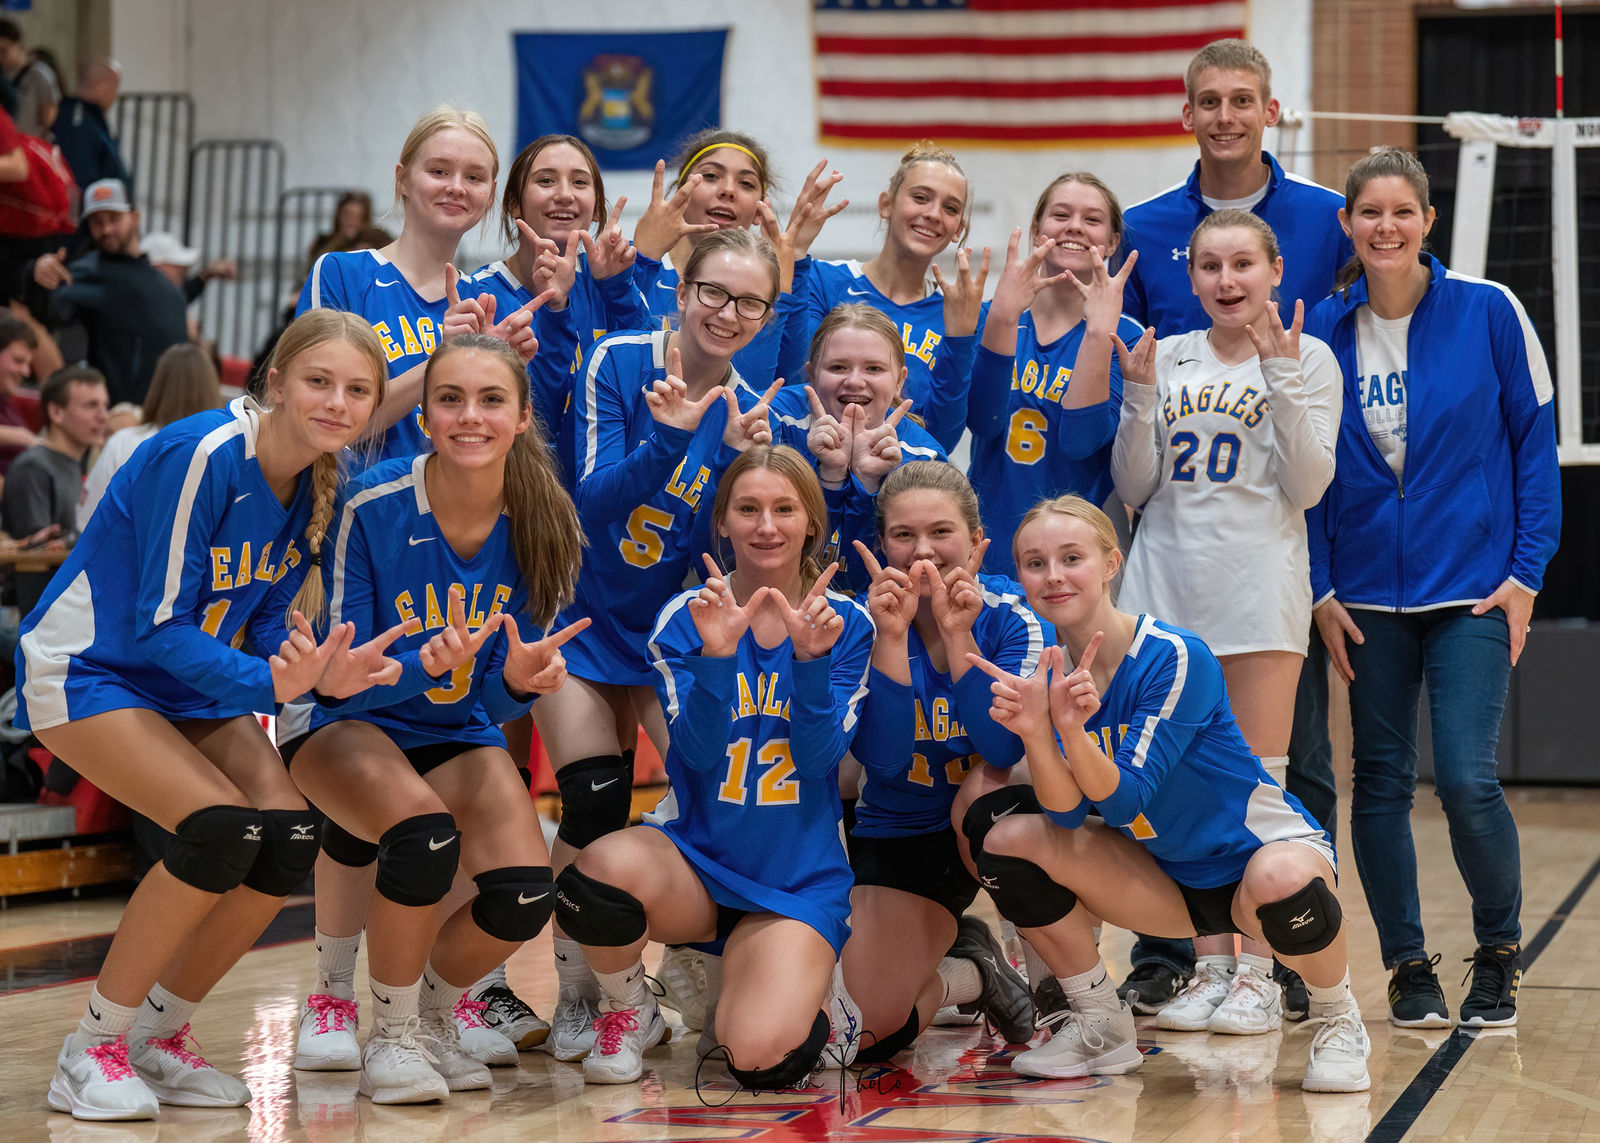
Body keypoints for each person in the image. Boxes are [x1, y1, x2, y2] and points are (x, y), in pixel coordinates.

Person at [16, 309, 393, 1121]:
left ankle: (159, 1034)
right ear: (277, 381)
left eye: (358, 390)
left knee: (290, 835)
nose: (337, 401)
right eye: (320, 381)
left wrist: (313, 670)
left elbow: (255, 616)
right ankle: (92, 1047)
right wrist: (277, 685)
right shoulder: (207, 453)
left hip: (180, 680)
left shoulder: (316, 483)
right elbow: (160, 622)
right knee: (220, 827)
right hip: (90, 667)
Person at [962, 494, 1370, 1093]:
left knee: (1282, 883)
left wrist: (1069, 730)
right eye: (1034, 562)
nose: (1052, 576)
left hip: (1257, 857)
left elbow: (1126, 800)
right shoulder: (1047, 670)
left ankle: (1338, 1017)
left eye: (1071, 557)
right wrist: (1038, 734)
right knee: (1003, 840)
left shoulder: (1173, 656)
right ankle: (1101, 1024)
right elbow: (1069, 812)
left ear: (1110, 563)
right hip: (1167, 877)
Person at [284, 334, 586, 1103]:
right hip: (338, 720)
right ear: (422, 416)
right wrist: (424, 665)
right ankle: (383, 1030)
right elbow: (335, 686)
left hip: (450, 729)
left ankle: (433, 1014)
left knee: (523, 892)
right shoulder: (373, 502)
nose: (469, 416)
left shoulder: (542, 523)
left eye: (491, 400)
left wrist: (516, 686)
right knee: (420, 837)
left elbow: (481, 706)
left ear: (522, 417)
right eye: (450, 398)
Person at [1116, 38, 1351, 1013]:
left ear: (1271, 270)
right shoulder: (1163, 357)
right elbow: (1134, 487)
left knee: (1256, 789)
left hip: (1258, 587)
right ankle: (1206, 963)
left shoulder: (1306, 361)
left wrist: (1287, 376)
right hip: (1161, 588)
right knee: (1168, 792)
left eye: (1241, 263)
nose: (1223, 277)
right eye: (1208, 263)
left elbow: (1306, 485)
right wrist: (1135, 401)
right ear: (1191, 270)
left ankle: (1262, 971)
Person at [1306, 147, 1560, 1030]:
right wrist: (1319, 588)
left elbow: (1535, 445)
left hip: (1473, 592)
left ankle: (1499, 952)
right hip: (1365, 596)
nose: (1385, 227)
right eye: (1368, 212)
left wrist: (1526, 574)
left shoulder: (1490, 311)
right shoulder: (1324, 335)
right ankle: (1408, 966)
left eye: (1401, 211)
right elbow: (1304, 475)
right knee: (1375, 782)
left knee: (1464, 776)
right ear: (1347, 224)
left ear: (1427, 221)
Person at [532, 227, 781, 1058]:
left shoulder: (752, 412)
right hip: (581, 617)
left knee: (720, 790)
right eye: (714, 291)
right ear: (683, 288)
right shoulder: (619, 362)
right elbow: (588, 504)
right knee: (595, 798)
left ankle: (690, 961)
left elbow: (728, 548)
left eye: (750, 301)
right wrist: (672, 437)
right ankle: (588, 993)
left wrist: (746, 464)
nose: (728, 312)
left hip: (669, 638)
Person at [553, 444, 873, 1088]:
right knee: (595, 876)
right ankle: (629, 1009)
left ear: (812, 521)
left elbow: (819, 762)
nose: (766, 525)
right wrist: (718, 657)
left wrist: (810, 664)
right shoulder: (684, 618)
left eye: (785, 508)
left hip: (795, 883)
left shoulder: (846, 623)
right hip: (699, 864)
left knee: (756, 1060)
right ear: (721, 522)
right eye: (747, 508)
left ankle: (778, 984)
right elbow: (692, 757)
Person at [841, 460, 1048, 1060]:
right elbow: (881, 761)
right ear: (881, 545)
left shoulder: (1013, 618)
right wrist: (892, 638)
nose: (922, 551)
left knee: (1002, 788)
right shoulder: (862, 621)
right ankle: (975, 971)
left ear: (978, 542)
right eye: (903, 536)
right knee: (862, 1031)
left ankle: (1060, 986)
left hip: (986, 818)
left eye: (941, 532)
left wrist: (958, 637)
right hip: (899, 827)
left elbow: (1004, 748)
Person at [297, 104, 538, 462]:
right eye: (439, 171)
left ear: (490, 195)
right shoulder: (342, 274)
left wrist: (510, 375)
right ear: (402, 179)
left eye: (474, 177)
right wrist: (443, 357)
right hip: (353, 510)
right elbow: (324, 424)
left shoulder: (490, 303)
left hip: (452, 512)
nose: (456, 187)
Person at [968, 173, 1144, 577]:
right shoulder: (994, 317)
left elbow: (1080, 441)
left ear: (1113, 242)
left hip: (1076, 557)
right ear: (1036, 230)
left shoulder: (1126, 336)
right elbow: (983, 421)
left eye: (1092, 219)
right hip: (990, 541)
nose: (1074, 226)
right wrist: (1003, 318)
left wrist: (1099, 333)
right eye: (1060, 214)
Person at [465, 132, 648, 479]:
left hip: (603, 502)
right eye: (545, 181)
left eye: (580, 182)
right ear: (513, 203)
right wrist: (556, 308)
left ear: (595, 208)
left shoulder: (609, 281)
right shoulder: (480, 296)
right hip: (520, 494)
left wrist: (618, 289)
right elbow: (537, 422)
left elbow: (650, 380)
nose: (564, 195)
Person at [786, 143, 985, 452]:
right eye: (920, 198)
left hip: (899, 480)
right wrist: (793, 257)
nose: (933, 214)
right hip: (813, 466)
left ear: (959, 228)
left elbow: (940, 439)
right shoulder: (824, 281)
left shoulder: (962, 313)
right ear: (886, 204)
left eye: (950, 208)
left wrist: (960, 340)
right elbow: (796, 380)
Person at [631, 128, 843, 388]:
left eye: (746, 183)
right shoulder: (633, 261)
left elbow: (782, 387)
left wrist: (793, 264)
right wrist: (641, 260)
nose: (728, 190)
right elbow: (619, 364)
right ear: (682, 192)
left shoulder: (779, 276)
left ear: (759, 210)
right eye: (710, 176)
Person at [768, 303, 946, 592]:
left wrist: (868, 485)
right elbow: (761, 551)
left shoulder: (923, 459)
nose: (854, 381)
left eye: (874, 368)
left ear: (899, 381)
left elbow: (884, 582)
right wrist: (829, 477)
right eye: (837, 367)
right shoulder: (782, 419)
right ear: (812, 375)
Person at [24, 178, 190, 405]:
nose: (106, 229)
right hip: (119, 418)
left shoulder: (161, 283)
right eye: (96, 222)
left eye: (114, 218)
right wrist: (36, 273)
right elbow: (50, 312)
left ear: (135, 218)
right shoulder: (84, 273)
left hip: (168, 413)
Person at [78, 342, 222, 528]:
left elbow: (87, 520)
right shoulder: (225, 452)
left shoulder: (123, 442)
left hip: (126, 554)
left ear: (158, 386)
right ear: (212, 388)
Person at [2, 364, 107, 613]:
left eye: (104, 405)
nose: (103, 415)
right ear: (56, 412)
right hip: (24, 611)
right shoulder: (34, 468)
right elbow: (37, 556)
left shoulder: (72, 465)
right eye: (91, 406)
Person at [49, 56, 129, 194]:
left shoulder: (92, 118)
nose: (115, 96)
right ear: (101, 85)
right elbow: (80, 175)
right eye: (115, 87)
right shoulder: (77, 122)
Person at [0, 20, 59, 138]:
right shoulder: (2, 76)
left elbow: (49, 117)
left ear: (18, 45)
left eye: (4, 51)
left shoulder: (38, 75)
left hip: (30, 143)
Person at [0, 312, 41, 475]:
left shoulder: (6, 402)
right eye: (18, 361)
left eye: (28, 364)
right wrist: (23, 437)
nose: (25, 371)